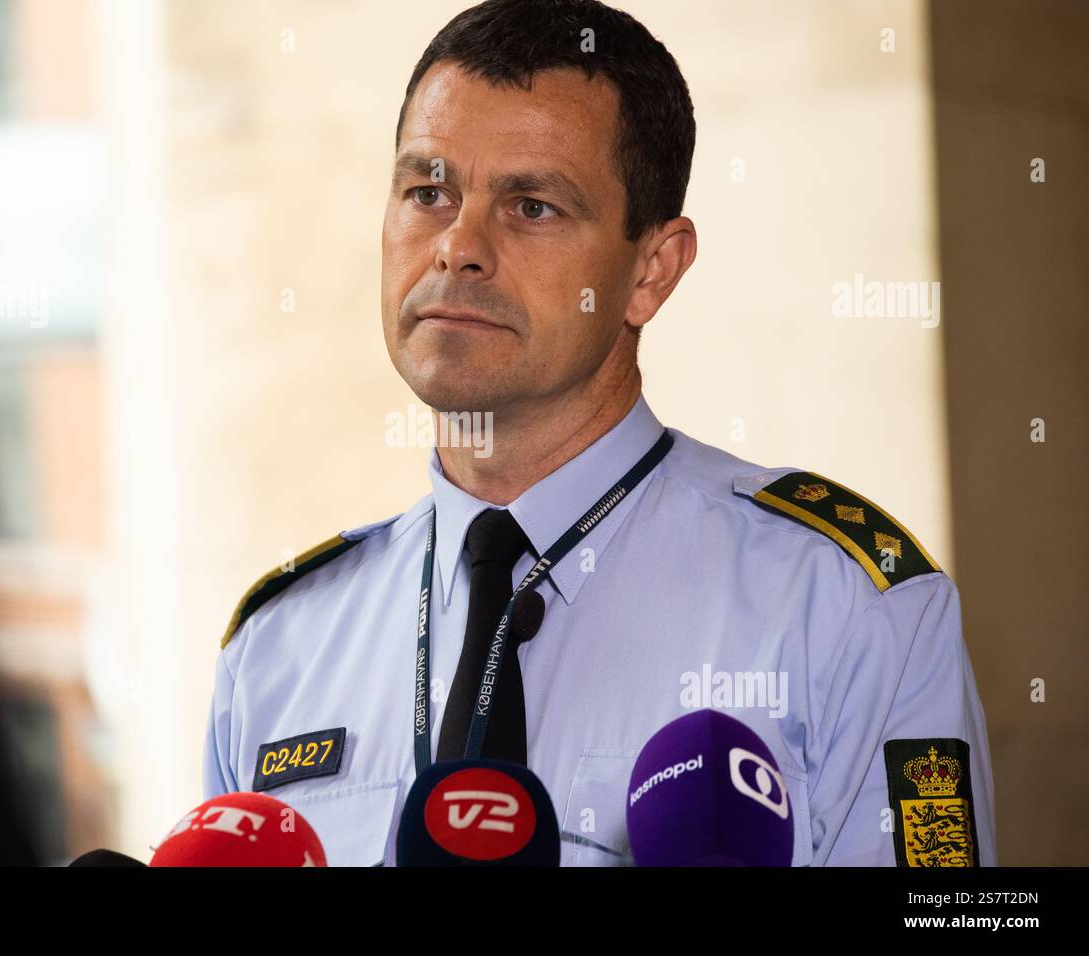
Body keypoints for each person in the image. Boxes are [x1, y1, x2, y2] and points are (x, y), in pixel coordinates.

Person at [202, 0, 995, 867]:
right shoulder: (281, 647)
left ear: (651, 272)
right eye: (428, 192)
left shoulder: (843, 609)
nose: (457, 247)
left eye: (533, 206)